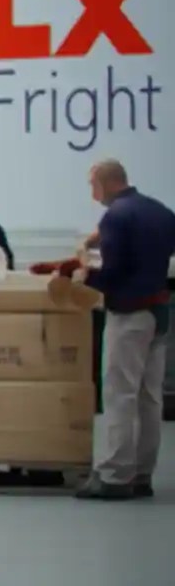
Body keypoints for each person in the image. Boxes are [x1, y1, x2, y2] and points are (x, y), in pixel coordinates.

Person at [73, 159, 175, 501]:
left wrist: (86, 273)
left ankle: (115, 475)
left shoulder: (115, 216)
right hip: (159, 312)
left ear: (104, 183)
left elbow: (113, 272)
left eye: (93, 186)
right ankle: (142, 473)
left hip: (129, 314)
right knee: (150, 396)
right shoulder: (161, 212)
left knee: (120, 393)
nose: (93, 194)